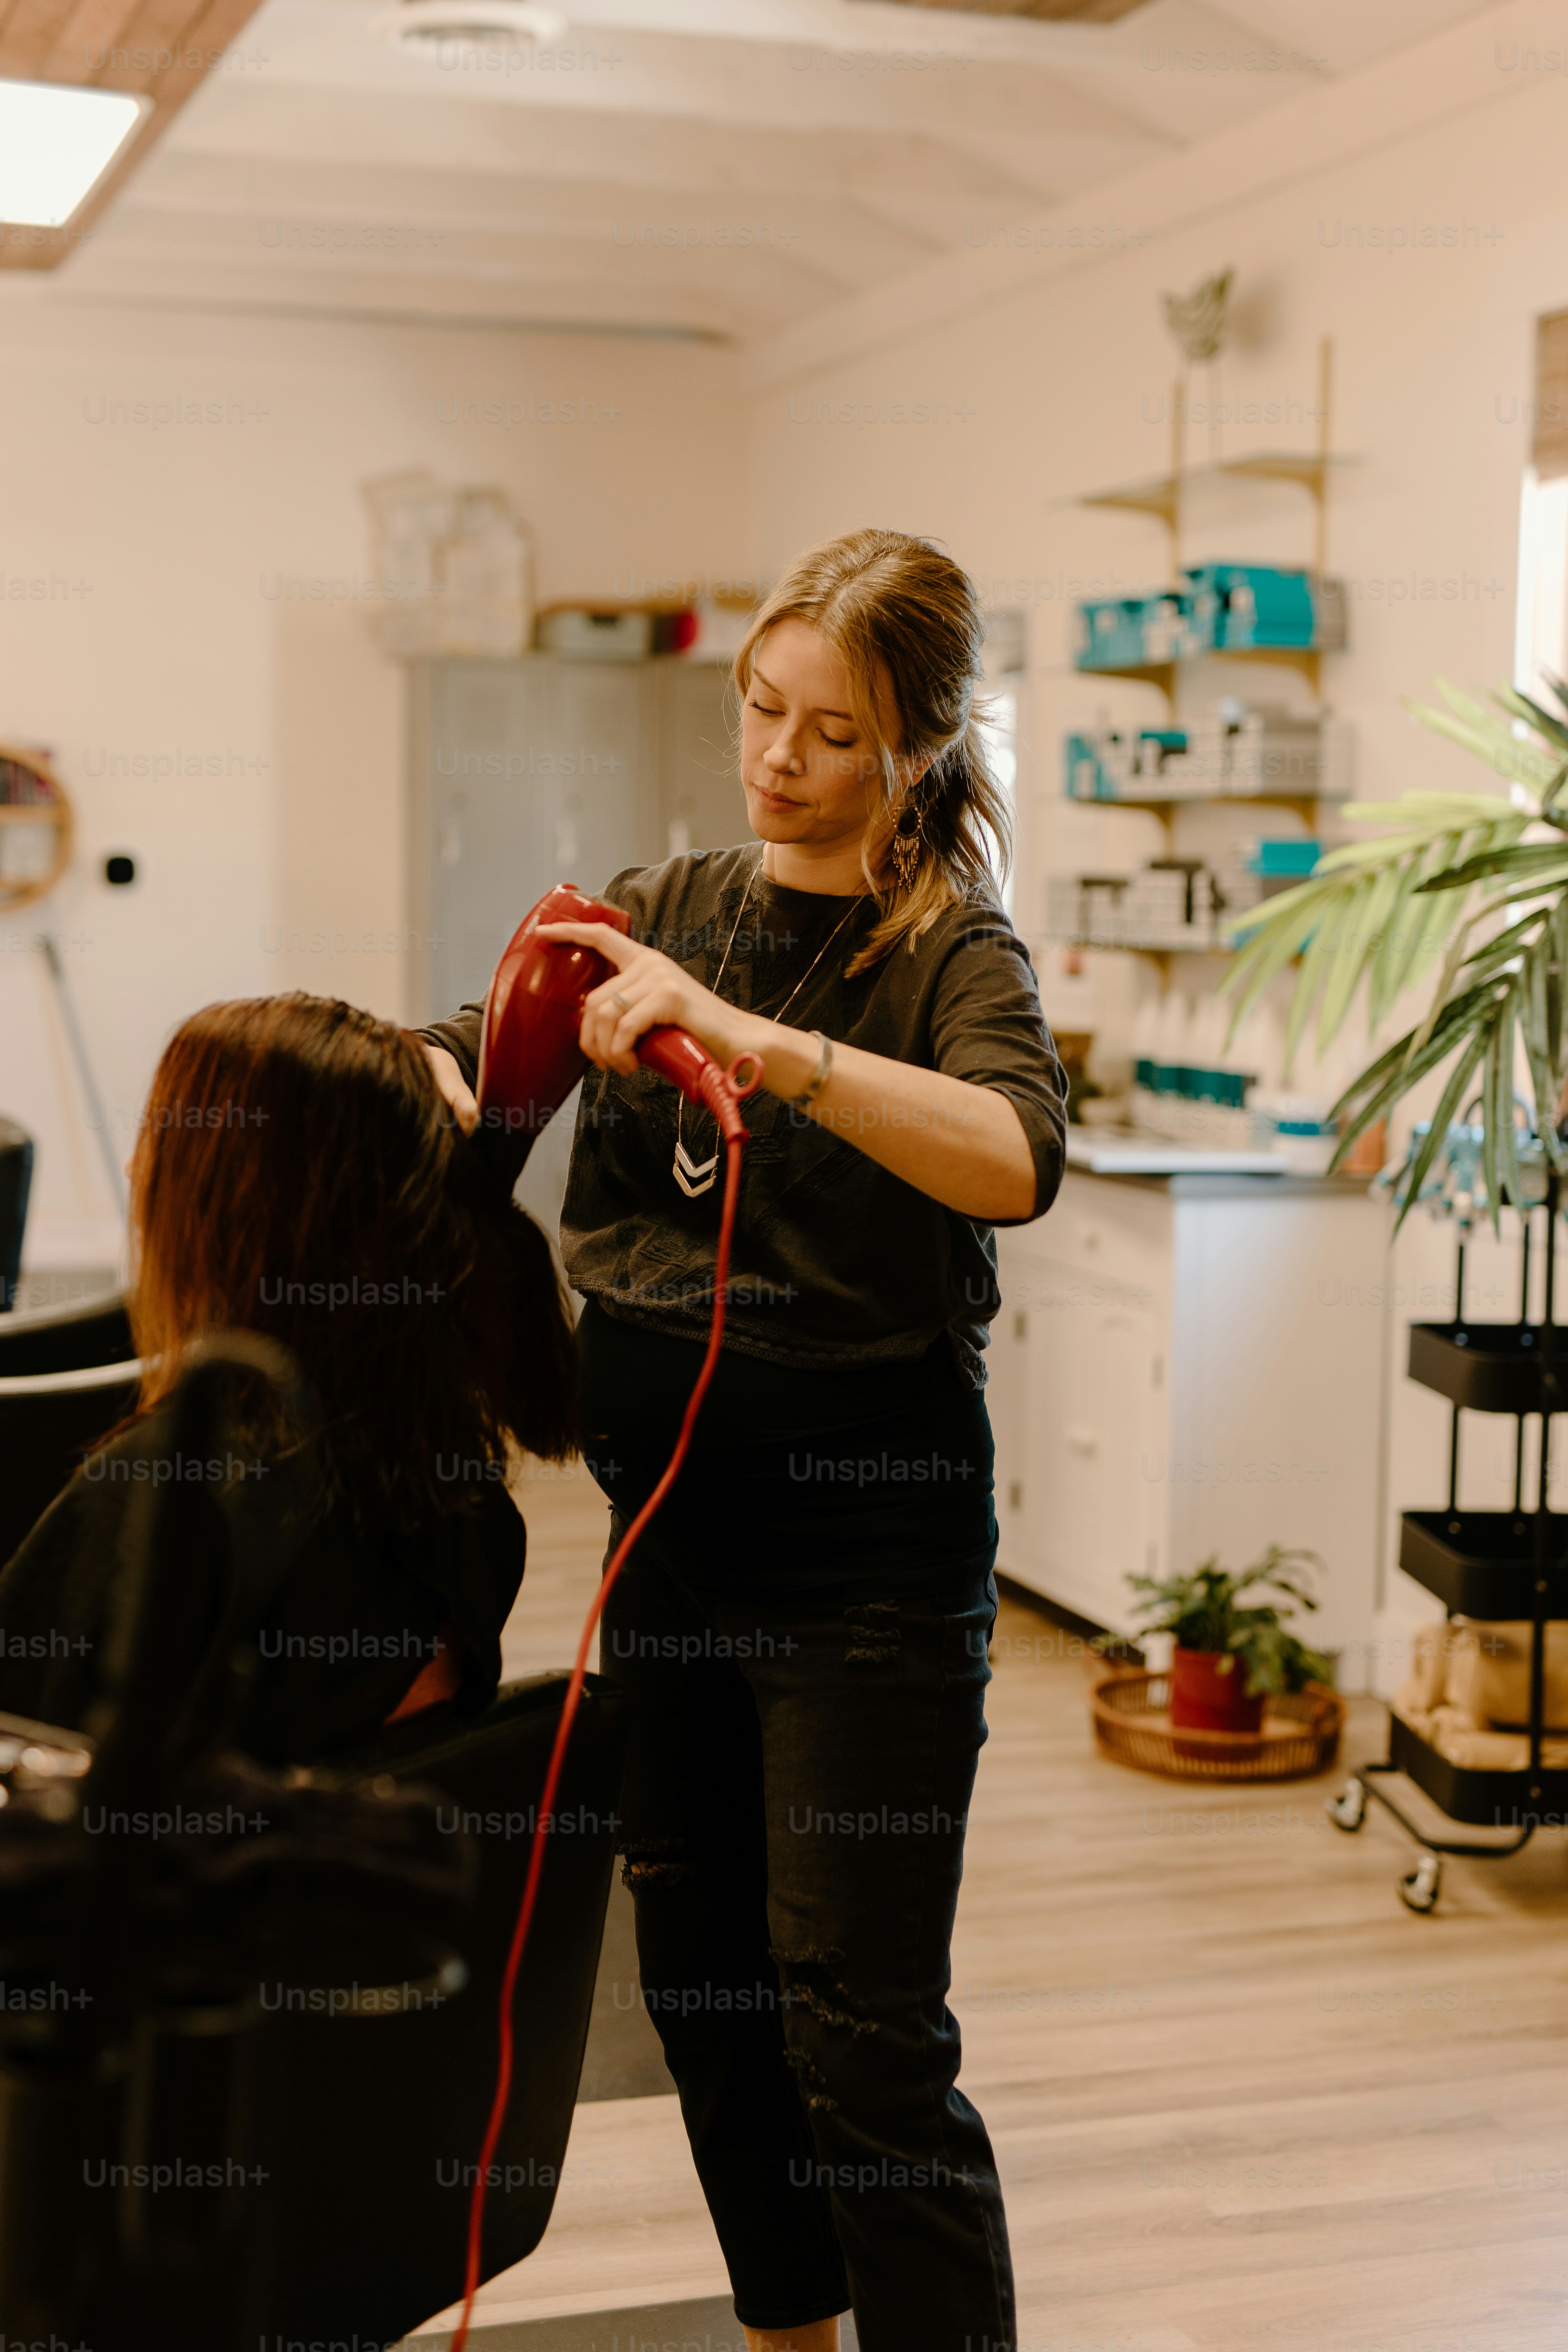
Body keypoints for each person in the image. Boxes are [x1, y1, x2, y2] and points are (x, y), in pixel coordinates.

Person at [421, 529, 1066, 2352]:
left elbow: (1016, 1157)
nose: (777, 758)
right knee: (703, 1987)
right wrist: (411, 1066)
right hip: (670, 1552)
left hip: (867, 1579)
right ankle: (790, 2336)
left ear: (918, 752)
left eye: (833, 733)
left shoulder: (953, 953)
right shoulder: (665, 901)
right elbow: (486, 1048)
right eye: (759, 711)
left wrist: (761, 1045)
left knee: (857, 2031)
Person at [0, 993, 577, 1761]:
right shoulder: (464, 1499)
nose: (138, 1165)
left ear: (230, 1200)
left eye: (161, 1137)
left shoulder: (167, 1507)